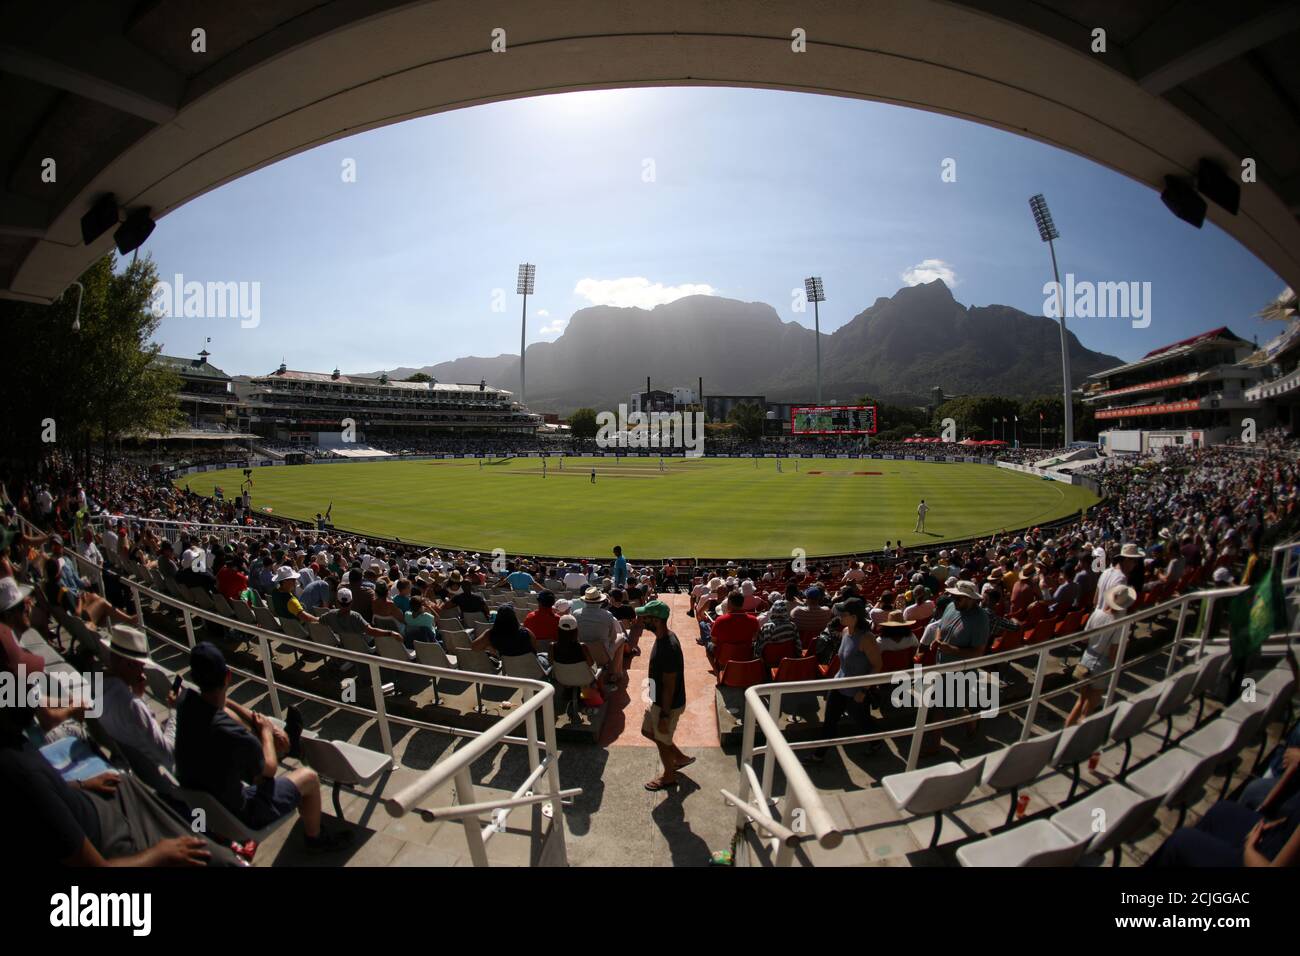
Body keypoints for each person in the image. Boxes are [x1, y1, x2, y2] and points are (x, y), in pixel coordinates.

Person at [174, 643, 351, 850]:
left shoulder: (185, 702)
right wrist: (267, 732)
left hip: (205, 804)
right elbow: (269, 770)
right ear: (228, 676)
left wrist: (254, 719)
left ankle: (287, 743)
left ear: (194, 678)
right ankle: (315, 839)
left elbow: (221, 703)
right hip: (239, 814)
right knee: (309, 777)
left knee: (246, 728)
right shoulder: (231, 734)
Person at [807, 597, 883, 762]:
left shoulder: (867, 639)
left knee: (862, 720)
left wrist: (864, 690)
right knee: (830, 721)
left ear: (854, 617)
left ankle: (876, 741)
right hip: (839, 684)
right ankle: (819, 754)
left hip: (856, 690)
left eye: (843, 614)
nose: (839, 617)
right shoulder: (845, 632)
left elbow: (877, 665)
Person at [98, 625, 178, 775]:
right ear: (128, 663)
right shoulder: (134, 706)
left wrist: (138, 695)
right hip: (157, 773)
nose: (142, 672)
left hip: (132, 763)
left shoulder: (95, 686)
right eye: (141, 667)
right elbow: (169, 755)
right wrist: (174, 710)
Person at [638, 600, 692, 791]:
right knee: (648, 731)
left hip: (666, 704)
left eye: (645, 617)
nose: (642, 620)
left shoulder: (668, 647)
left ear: (656, 620)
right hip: (657, 700)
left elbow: (669, 685)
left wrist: (664, 715)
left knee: (661, 738)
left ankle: (669, 776)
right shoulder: (663, 637)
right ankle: (679, 757)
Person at [1064, 585, 1136, 727]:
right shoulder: (1119, 623)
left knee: (1079, 702)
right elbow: (1113, 652)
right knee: (1088, 708)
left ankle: (1064, 735)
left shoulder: (1096, 613)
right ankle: (1076, 740)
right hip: (1101, 664)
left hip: (1086, 658)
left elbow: (1084, 638)